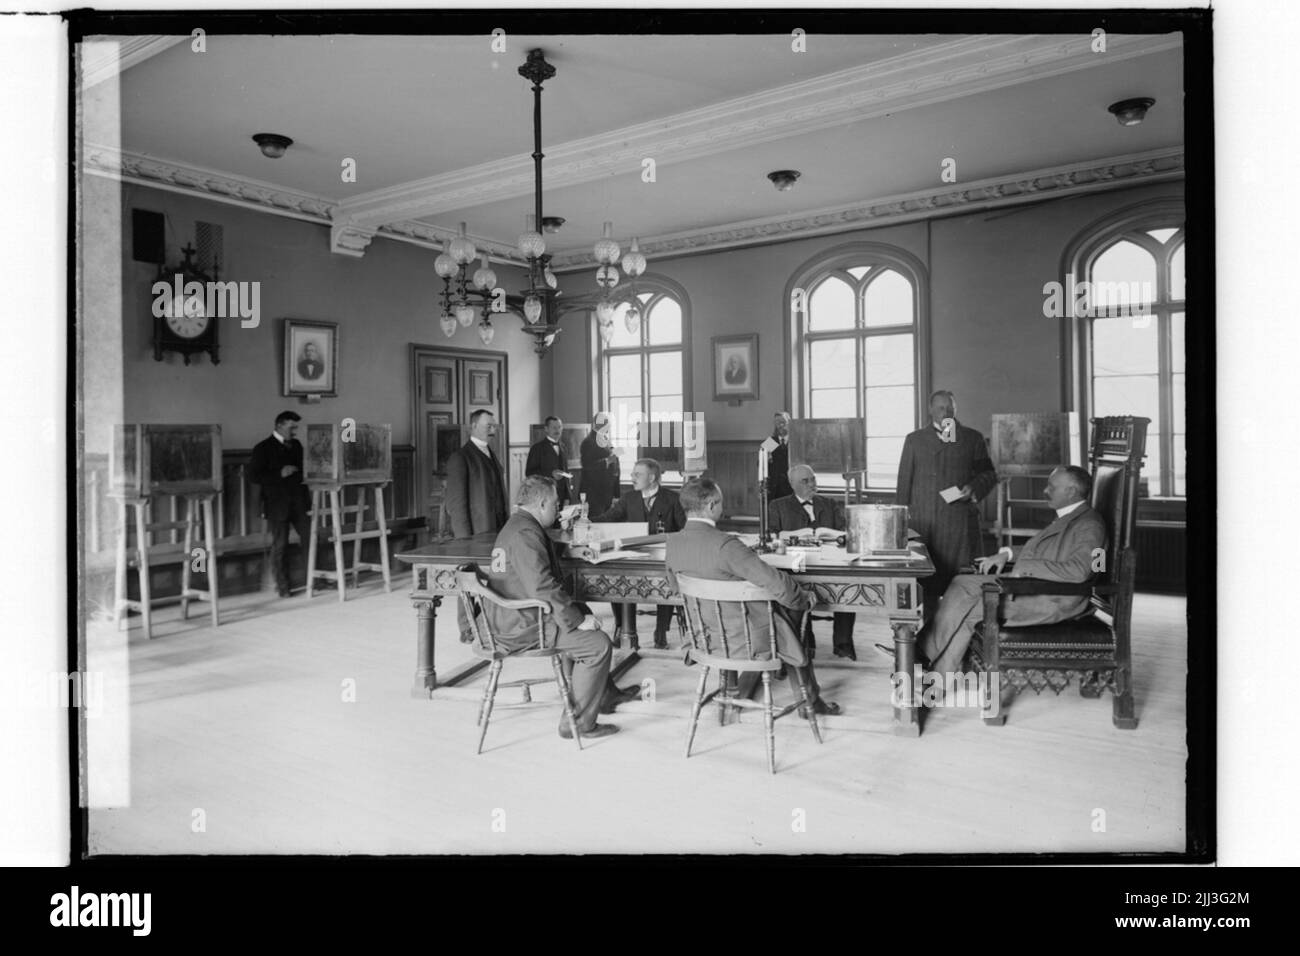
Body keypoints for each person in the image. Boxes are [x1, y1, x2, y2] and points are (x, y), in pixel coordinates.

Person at [904, 465, 1106, 680]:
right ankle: (923, 655)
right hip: (1038, 586)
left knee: (975, 608)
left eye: (1051, 486)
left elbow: (1082, 571)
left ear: (1071, 491)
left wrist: (1025, 568)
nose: (1045, 491)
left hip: (1057, 598)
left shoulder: (1091, 525)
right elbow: (1044, 551)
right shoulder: (1072, 517)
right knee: (962, 582)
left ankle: (932, 669)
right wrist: (1007, 554)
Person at [665, 477, 840, 716]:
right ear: (711, 506)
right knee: (792, 606)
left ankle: (731, 692)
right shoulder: (726, 545)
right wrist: (803, 599)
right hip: (745, 638)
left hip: (704, 637)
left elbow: (676, 588)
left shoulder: (672, 543)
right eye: (721, 503)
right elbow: (779, 585)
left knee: (783, 605)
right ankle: (809, 701)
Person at [486, 476, 641, 740]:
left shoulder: (519, 525)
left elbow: (538, 552)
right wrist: (576, 620)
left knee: (581, 608)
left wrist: (570, 551)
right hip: (522, 623)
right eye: (556, 504)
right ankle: (577, 723)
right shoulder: (526, 533)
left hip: (512, 615)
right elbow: (542, 586)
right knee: (598, 645)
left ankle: (604, 694)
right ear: (543, 503)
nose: (559, 510)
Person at [895, 390, 997, 601]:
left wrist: (973, 487)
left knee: (960, 580)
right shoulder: (915, 440)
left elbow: (988, 474)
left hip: (957, 522)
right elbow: (904, 482)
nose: (946, 412)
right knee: (925, 579)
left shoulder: (972, 438)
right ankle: (928, 627)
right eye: (941, 408)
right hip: (924, 521)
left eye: (950, 408)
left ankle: (959, 625)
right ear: (931, 410)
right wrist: (901, 519)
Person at [593, 458, 687, 650]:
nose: (632, 477)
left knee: (666, 584)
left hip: (663, 559)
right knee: (616, 583)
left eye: (637, 474)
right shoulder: (629, 498)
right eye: (633, 474)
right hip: (633, 558)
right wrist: (587, 521)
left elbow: (684, 529)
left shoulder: (672, 498)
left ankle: (661, 631)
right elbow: (608, 518)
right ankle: (623, 628)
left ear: (652, 477)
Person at [767, 464, 858, 660]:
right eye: (805, 481)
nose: (811, 484)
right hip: (797, 565)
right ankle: (806, 643)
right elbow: (772, 537)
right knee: (795, 591)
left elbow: (844, 532)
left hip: (829, 562)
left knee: (849, 587)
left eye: (813, 479)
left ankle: (843, 643)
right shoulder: (778, 506)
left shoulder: (830, 503)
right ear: (792, 484)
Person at [248, 410, 313, 597]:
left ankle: (312, 580)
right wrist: (279, 473)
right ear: (279, 425)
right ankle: (283, 587)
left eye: (295, 427)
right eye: (291, 427)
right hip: (277, 505)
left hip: (299, 503)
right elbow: (253, 476)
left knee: (311, 539)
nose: (294, 431)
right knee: (280, 546)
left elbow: (304, 470)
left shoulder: (297, 445)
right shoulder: (262, 448)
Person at [441, 409, 508, 540]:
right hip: (477, 533)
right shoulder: (460, 457)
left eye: (494, 426)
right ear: (474, 426)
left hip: (498, 530)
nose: (493, 431)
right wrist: (464, 541)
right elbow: (456, 505)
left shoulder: (491, 454)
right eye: (488, 426)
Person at [524, 415, 571, 508]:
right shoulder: (537, 448)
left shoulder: (563, 447)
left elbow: (565, 472)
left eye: (559, 427)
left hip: (561, 497)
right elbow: (529, 473)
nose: (557, 430)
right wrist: (550, 473)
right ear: (546, 429)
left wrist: (567, 496)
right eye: (554, 427)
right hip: (544, 497)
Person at [579, 412, 620, 516]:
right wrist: (607, 461)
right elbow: (587, 467)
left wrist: (616, 493)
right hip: (594, 493)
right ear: (595, 424)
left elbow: (614, 465)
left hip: (607, 492)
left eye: (607, 423)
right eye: (604, 423)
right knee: (596, 523)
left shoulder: (606, 439)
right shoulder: (588, 442)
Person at [766, 411, 794, 503]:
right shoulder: (771, 441)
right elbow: (760, 463)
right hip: (775, 486)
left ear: (789, 422)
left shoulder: (796, 440)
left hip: (792, 485)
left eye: (783, 422)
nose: (780, 425)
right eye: (777, 423)